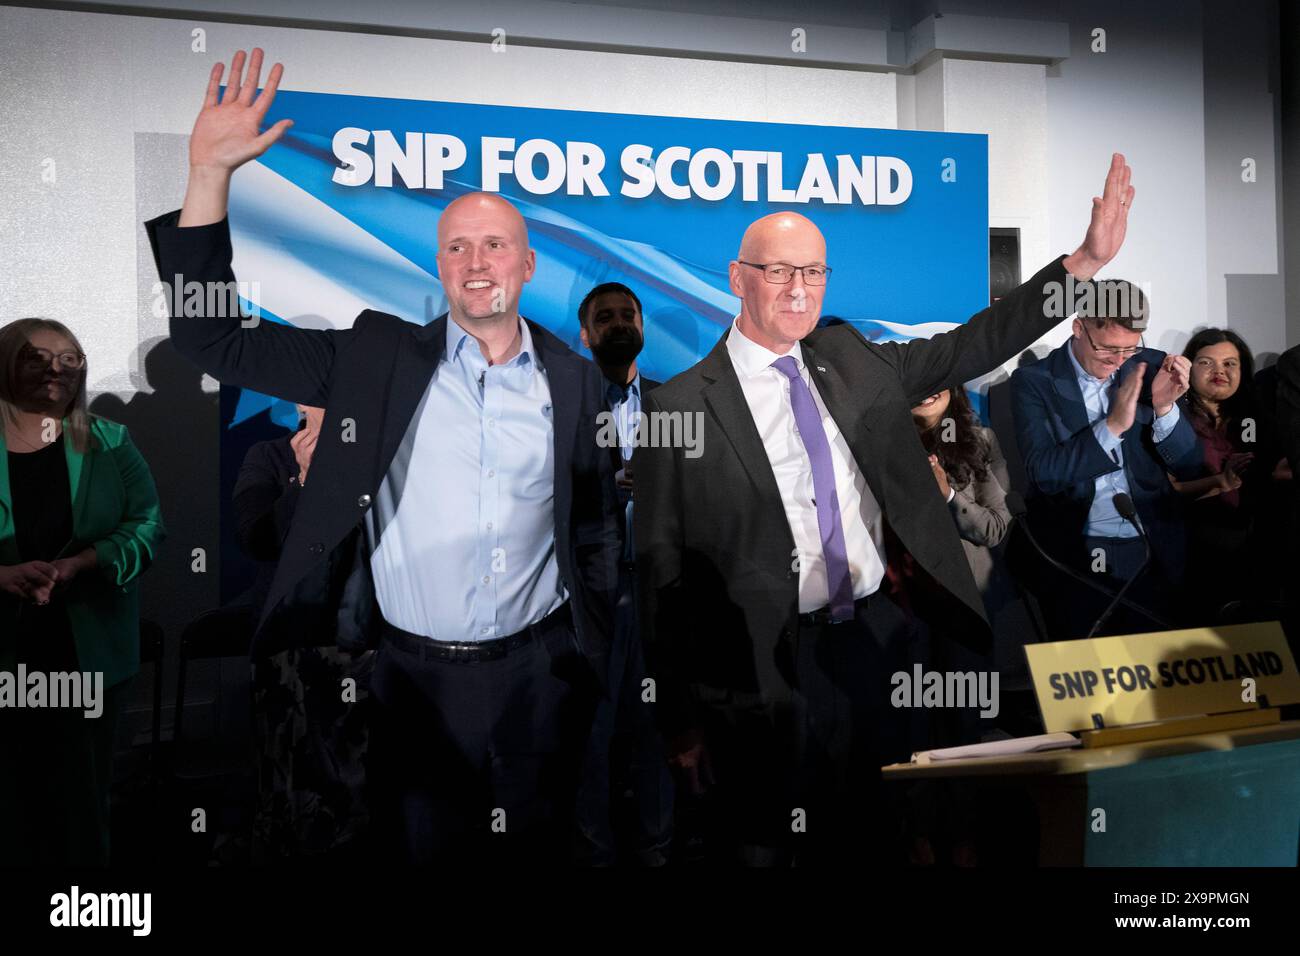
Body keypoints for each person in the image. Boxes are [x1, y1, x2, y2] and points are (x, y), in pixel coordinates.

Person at [144, 49, 620, 864]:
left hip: (543, 678)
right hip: (409, 680)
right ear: (439, 266)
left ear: (528, 264)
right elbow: (209, 334)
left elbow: (597, 526)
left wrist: (596, 640)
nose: (477, 263)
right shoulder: (374, 357)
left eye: (495, 246)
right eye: (459, 248)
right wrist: (208, 175)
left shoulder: (577, 381)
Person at [636, 153, 1138, 865]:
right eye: (779, 270)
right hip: (762, 670)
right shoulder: (679, 404)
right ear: (738, 278)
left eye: (814, 271)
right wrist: (676, 722)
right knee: (766, 847)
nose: (799, 288)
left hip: (875, 648)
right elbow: (659, 577)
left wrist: (1083, 262)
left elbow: (977, 341)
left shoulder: (850, 358)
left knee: (880, 838)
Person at [0, 317, 166, 866]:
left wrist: (83, 563)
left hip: (86, 652)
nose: (56, 369)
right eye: (36, 357)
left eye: (69, 358)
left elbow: (146, 526)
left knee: (79, 805)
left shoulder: (110, 439)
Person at [1010, 280, 1201, 639]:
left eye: (1130, 350)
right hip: (1074, 556)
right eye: (1108, 349)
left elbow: (1189, 466)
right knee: (1084, 681)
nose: (1118, 362)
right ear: (1079, 328)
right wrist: (1112, 426)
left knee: (1154, 679)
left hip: (1150, 551)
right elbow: (1045, 474)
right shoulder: (1034, 382)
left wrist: (1164, 407)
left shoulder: (1153, 367)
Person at [234, 403, 373, 861]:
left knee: (364, 789)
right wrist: (307, 478)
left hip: (372, 645)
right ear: (297, 402)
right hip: (289, 649)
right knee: (291, 791)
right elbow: (258, 540)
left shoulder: (379, 455)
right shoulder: (269, 456)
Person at [574, 282, 675, 865]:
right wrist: (603, 490)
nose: (618, 324)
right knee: (590, 740)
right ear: (585, 335)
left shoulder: (673, 405)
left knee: (657, 738)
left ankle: (658, 852)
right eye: (605, 318)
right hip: (588, 601)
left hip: (657, 598)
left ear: (641, 328)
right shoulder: (562, 404)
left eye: (627, 315)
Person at [1170, 329, 1287, 621]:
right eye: (1206, 363)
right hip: (1193, 555)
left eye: (1230, 364)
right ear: (1189, 366)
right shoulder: (1170, 419)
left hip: (1258, 553)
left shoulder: (1260, 417)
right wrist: (1220, 482)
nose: (1219, 371)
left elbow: (1272, 476)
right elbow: (1166, 491)